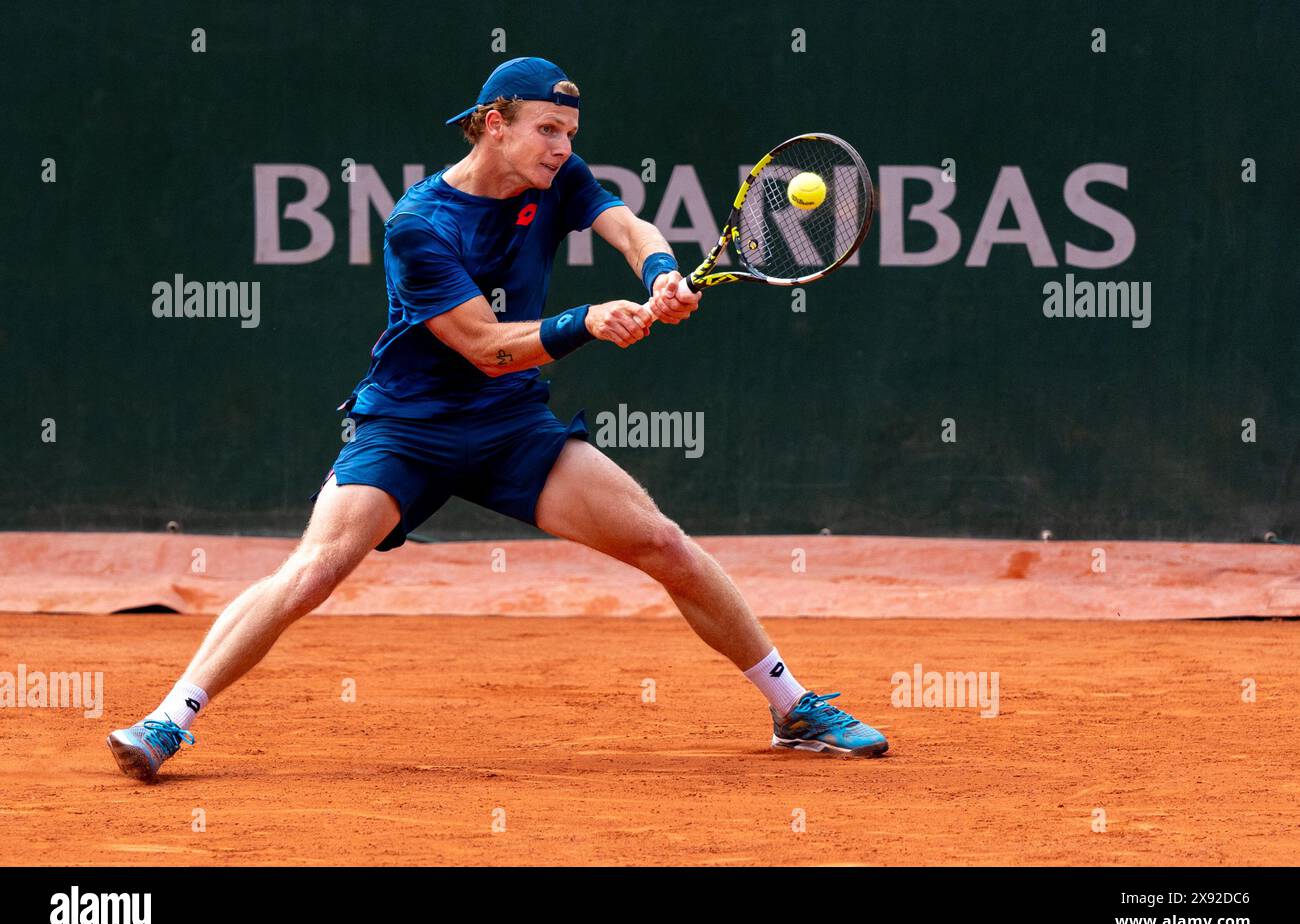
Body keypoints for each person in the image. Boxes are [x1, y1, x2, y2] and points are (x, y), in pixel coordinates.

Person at [106, 56, 888, 782]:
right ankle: (169, 720)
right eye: (547, 130)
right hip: (410, 426)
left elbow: (628, 226)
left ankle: (793, 709)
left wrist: (660, 274)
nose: (560, 147)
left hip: (512, 429)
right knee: (313, 570)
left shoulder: (559, 179)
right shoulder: (419, 225)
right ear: (493, 124)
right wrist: (588, 320)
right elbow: (484, 345)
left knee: (662, 541)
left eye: (569, 134)